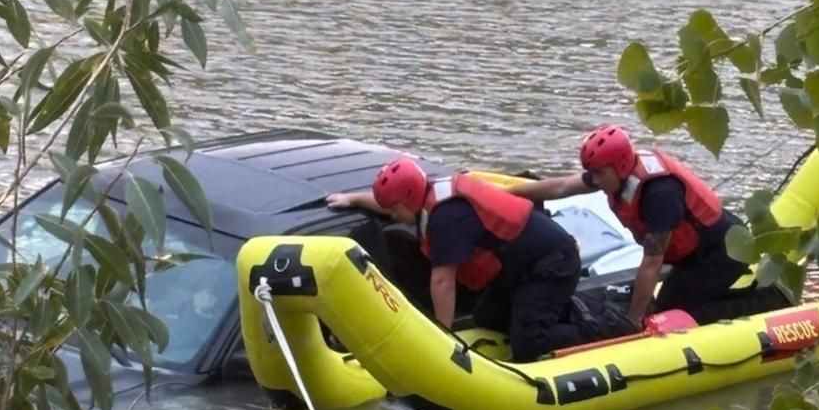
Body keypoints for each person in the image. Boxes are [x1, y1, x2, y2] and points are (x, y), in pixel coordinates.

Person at [508, 124, 788, 327]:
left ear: (620, 167)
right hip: (693, 255)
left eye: (599, 174)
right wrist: (508, 195)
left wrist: (632, 321)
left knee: (672, 311)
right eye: (591, 173)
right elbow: (561, 187)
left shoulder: (659, 195)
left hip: (722, 253)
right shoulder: (615, 174)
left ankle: (766, 301)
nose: (594, 180)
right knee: (665, 299)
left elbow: (652, 262)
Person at [327, 156, 585, 362]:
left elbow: (443, 282)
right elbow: (391, 204)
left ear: (409, 198)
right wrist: (353, 198)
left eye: (394, 209)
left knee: (529, 344)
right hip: (519, 266)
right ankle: (550, 316)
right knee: (486, 316)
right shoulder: (427, 195)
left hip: (551, 263)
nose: (392, 215)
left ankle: (592, 329)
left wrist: (441, 338)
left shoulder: (446, 219)